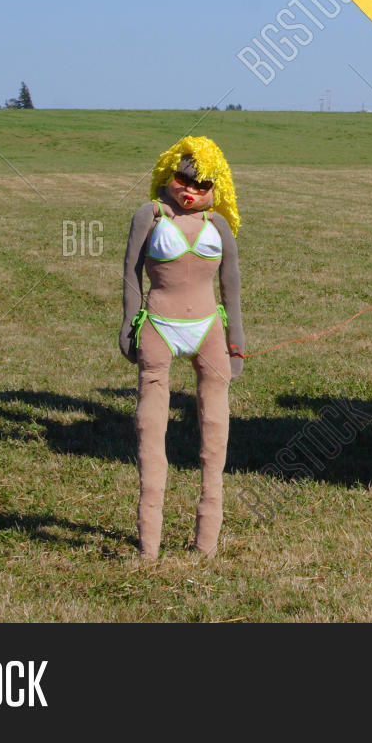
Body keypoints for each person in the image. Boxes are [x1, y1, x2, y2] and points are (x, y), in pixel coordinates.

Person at [119, 136, 245, 559]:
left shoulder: (219, 225)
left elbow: (231, 284)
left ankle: (206, 539)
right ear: (167, 175)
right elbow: (131, 273)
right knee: (151, 429)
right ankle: (148, 544)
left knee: (215, 432)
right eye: (182, 179)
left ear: (217, 188)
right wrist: (128, 322)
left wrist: (236, 340)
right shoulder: (149, 216)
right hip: (159, 323)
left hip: (208, 326)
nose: (190, 190)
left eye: (203, 185)